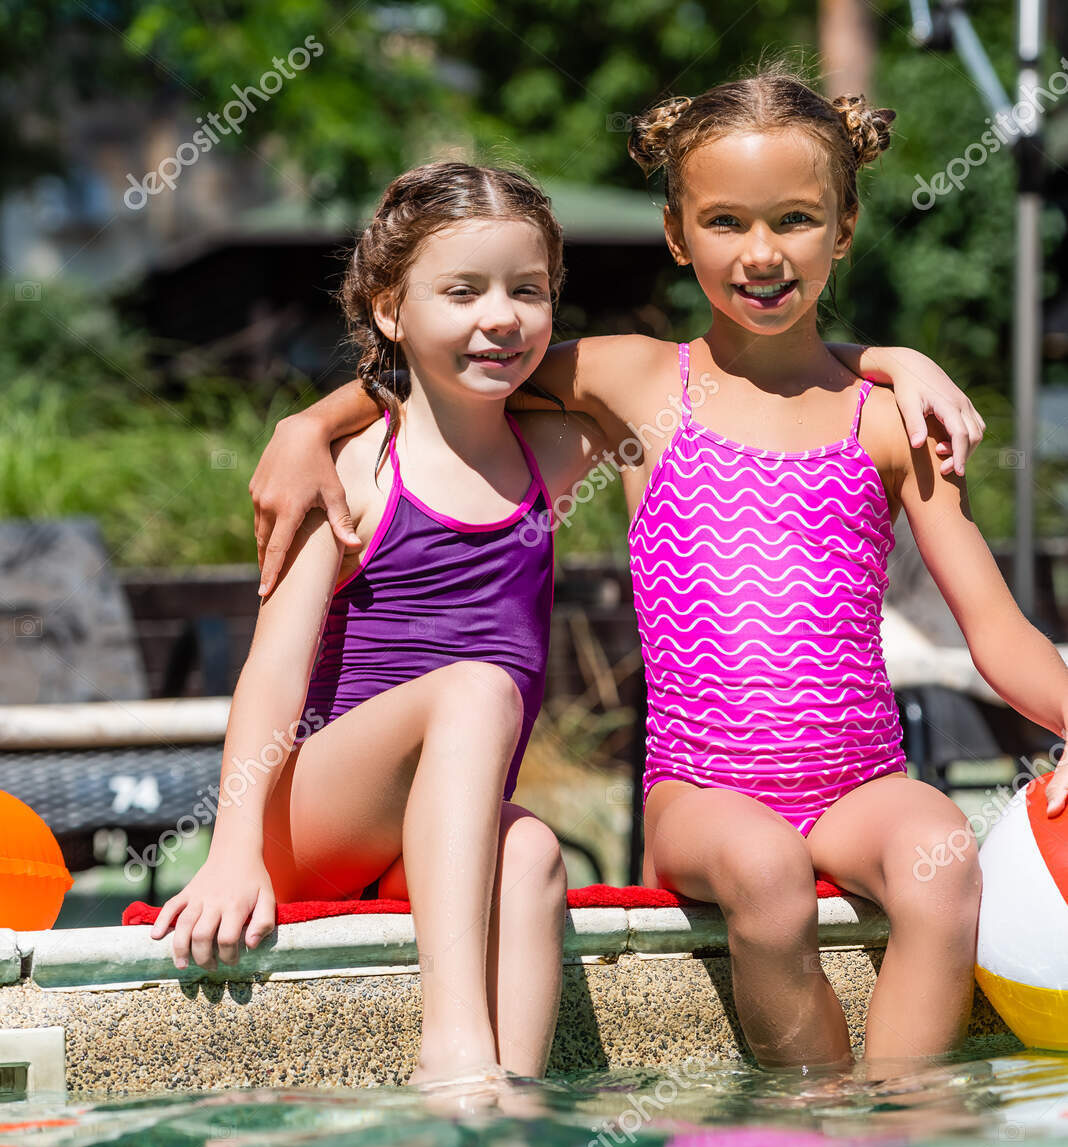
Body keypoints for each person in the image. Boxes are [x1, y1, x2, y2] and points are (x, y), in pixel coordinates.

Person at [248, 62, 1025, 1074]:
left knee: (946, 864)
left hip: (860, 782)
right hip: (704, 792)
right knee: (769, 872)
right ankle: (809, 1119)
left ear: (844, 227)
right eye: (726, 223)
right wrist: (315, 419)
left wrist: (893, 357)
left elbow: (999, 634)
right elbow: (459, 366)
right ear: (677, 232)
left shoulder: (888, 420)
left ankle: (900, 1126)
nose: (761, 252)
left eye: (795, 219)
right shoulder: (640, 380)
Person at [150, 161, 605, 1089]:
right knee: (476, 688)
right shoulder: (354, 472)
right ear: (391, 309)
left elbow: (720, 372)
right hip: (310, 819)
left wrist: (889, 361)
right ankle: (454, 1042)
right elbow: (270, 676)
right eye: (462, 290)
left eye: (529, 290)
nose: (502, 316)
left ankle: (497, 1116)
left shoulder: (556, 452)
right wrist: (234, 855)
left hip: (433, 832)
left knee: (533, 853)